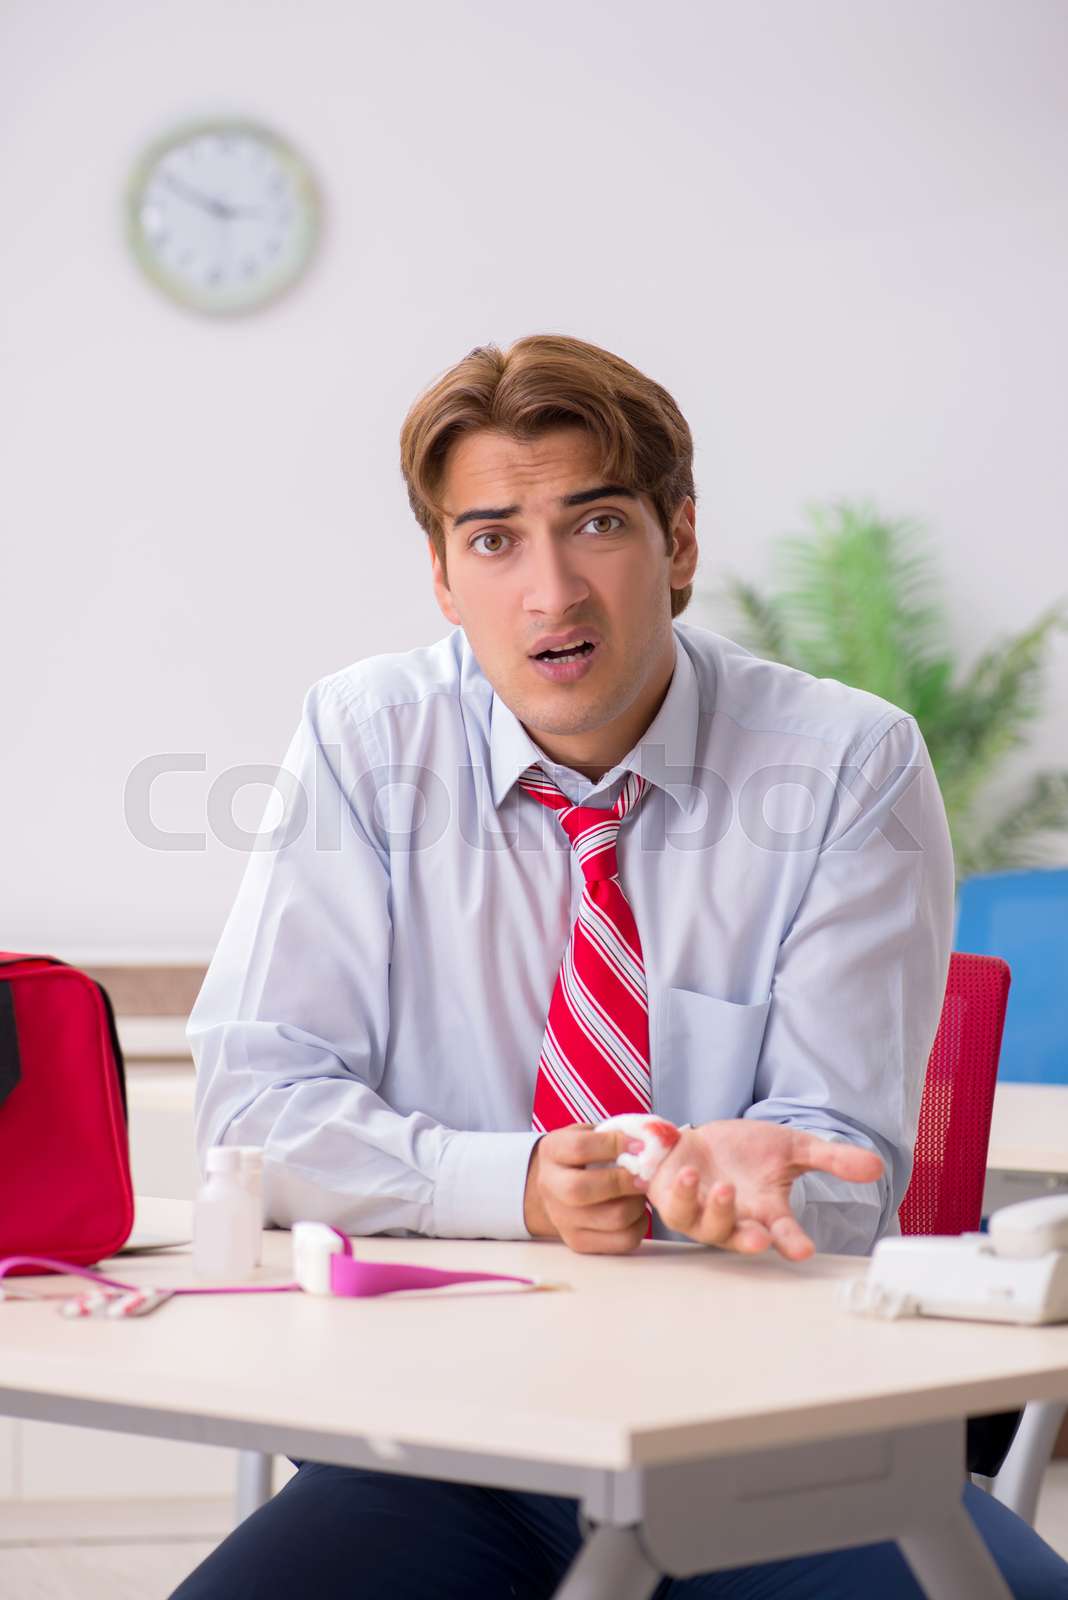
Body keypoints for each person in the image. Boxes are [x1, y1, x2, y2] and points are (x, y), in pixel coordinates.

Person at [173, 335, 1068, 1597]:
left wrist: (743, 1177)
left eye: (594, 523)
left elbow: (833, 1162)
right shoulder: (365, 740)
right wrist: (521, 1184)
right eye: (492, 539)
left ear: (680, 542)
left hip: (770, 1431)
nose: (551, 592)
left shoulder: (848, 764)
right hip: (441, 1434)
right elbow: (255, 1111)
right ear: (440, 575)